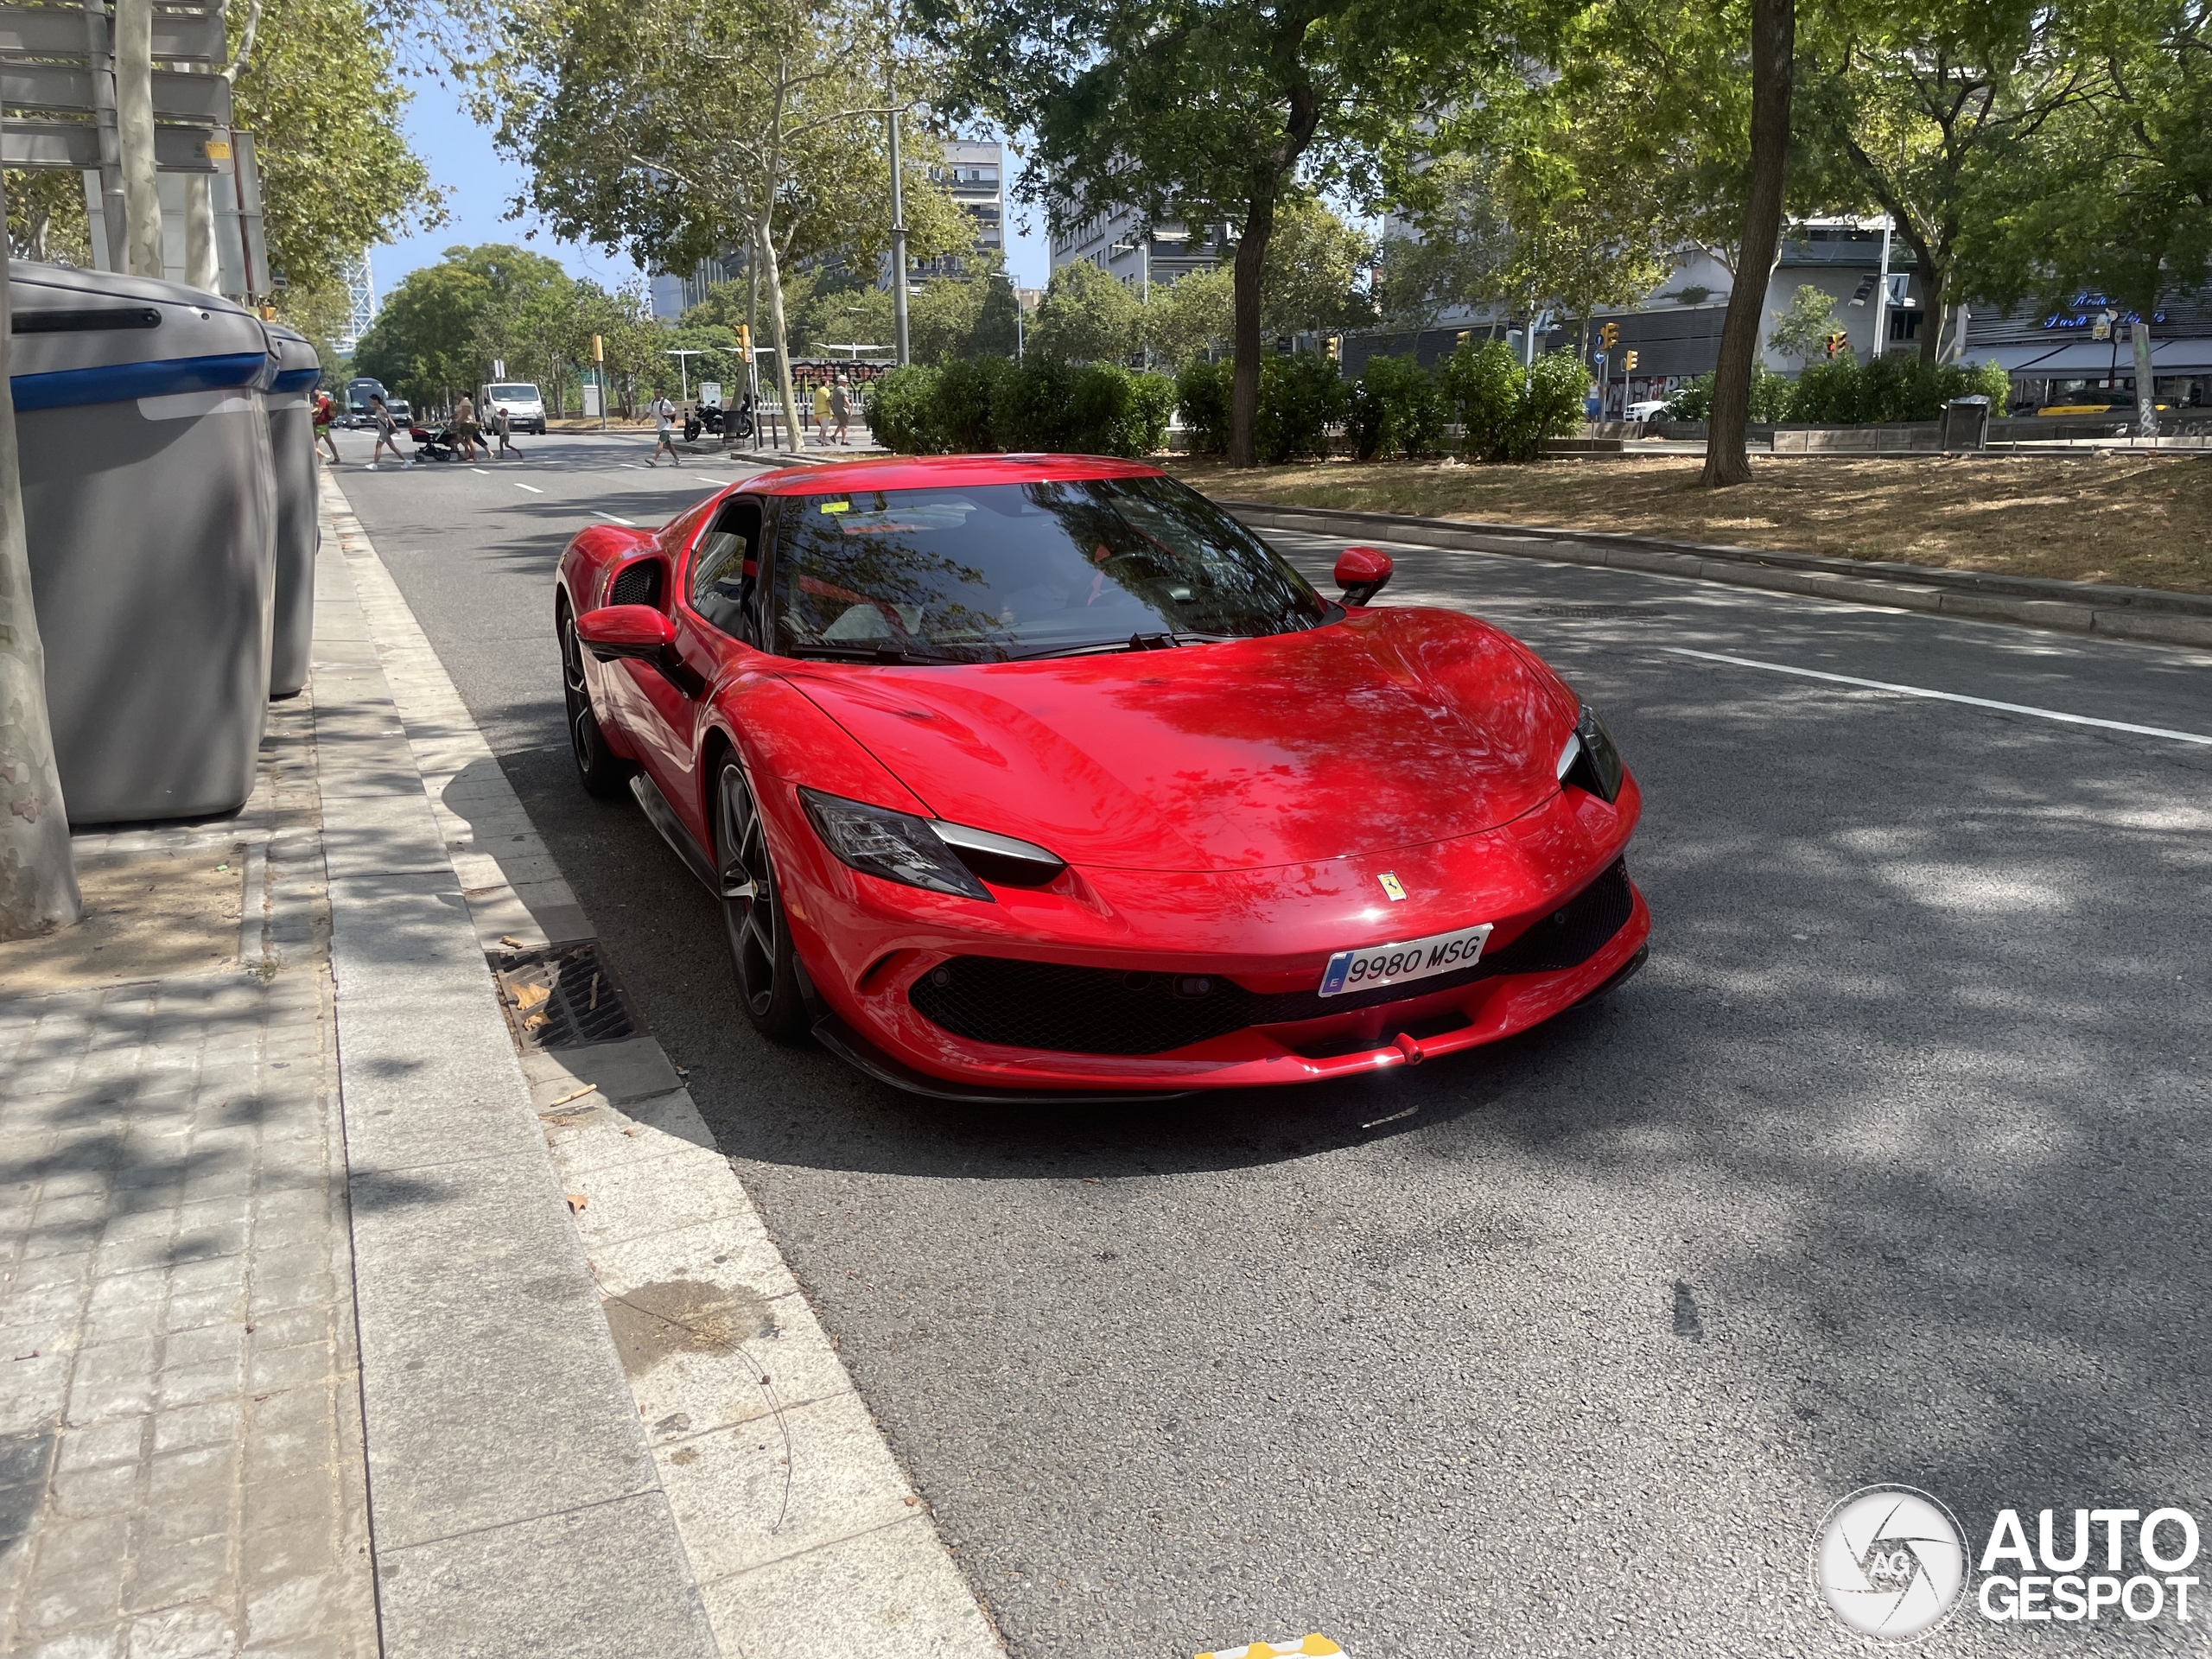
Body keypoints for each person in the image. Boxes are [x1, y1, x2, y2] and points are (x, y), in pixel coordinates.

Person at [368, 394, 407, 468]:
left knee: (378, 447)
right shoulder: (377, 408)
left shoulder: (381, 408)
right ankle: (406, 461)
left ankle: (375, 465)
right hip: (383, 430)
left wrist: (395, 427)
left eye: (372, 400)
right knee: (393, 448)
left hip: (384, 431)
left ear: (376, 400)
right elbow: (380, 419)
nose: (371, 402)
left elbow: (388, 417)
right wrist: (371, 418)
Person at [648, 394, 679, 465]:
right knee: (668, 444)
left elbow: (674, 412)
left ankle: (654, 459)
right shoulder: (653, 403)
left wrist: (666, 414)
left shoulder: (665, 402)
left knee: (660, 442)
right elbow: (648, 412)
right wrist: (640, 420)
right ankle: (677, 459)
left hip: (666, 425)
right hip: (660, 426)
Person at [313, 391, 340, 465]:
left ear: (318, 392)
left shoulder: (322, 400)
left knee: (313, 444)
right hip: (324, 424)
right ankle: (336, 458)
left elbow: (319, 411)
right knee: (329, 442)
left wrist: (309, 413)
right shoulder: (323, 400)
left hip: (321, 425)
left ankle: (323, 457)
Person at [454, 391, 480, 461]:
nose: (457, 396)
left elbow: (465, 413)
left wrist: (458, 421)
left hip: (468, 423)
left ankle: (474, 456)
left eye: (458, 394)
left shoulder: (466, 402)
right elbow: (459, 412)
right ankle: (468, 449)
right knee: (459, 437)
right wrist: (453, 416)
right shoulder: (462, 402)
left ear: (462, 395)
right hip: (463, 423)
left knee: (470, 440)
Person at [830, 376, 850, 445]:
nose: (846, 383)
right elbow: (846, 400)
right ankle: (843, 440)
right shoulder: (842, 389)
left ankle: (834, 436)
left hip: (836, 409)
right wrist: (850, 409)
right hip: (842, 409)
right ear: (841, 382)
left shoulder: (835, 389)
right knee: (844, 425)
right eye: (844, 382)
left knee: (841, 423)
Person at [812, 379, 833, 445]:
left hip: (818, 410)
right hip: (824, 410)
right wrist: (832, 407)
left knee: (822, 425)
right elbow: (828, 400)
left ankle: (819, 437)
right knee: (825, 426)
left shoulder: (818, 390)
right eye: (828, 382)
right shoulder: (826, 390)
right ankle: (823, 439)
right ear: (826, 382)